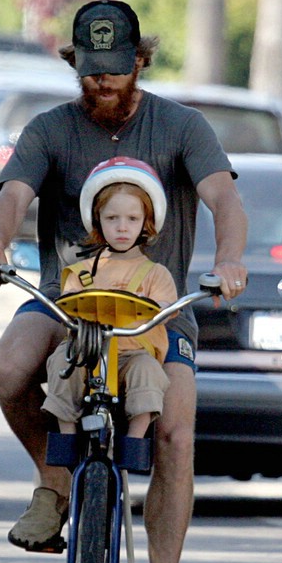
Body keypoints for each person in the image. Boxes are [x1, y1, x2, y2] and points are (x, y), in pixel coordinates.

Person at [0, 0, 249, 563]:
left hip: (154, 312)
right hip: (72, 301)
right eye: (92, 74)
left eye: (116, 73)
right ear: (75, 66)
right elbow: (12, 196)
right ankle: (55, 484)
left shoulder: (181, 126)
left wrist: (230, 258)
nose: (104, 86)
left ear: (139, 63)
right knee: (10, 367)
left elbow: (224, 198)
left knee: (178, 429)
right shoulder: (50, 129)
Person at [42, 158, 176, 442]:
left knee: (148, 370)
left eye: (132, 219)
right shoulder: (80, 273)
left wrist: (155, 308)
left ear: (146, 222)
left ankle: (135, 440)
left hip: (133, 354)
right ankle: (66, 436)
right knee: (60, 362)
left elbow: (167, 309)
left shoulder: (155, 274)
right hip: (87, 353)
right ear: (98, 220)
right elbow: (68, 307)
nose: (122, 228)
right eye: (112, 218)